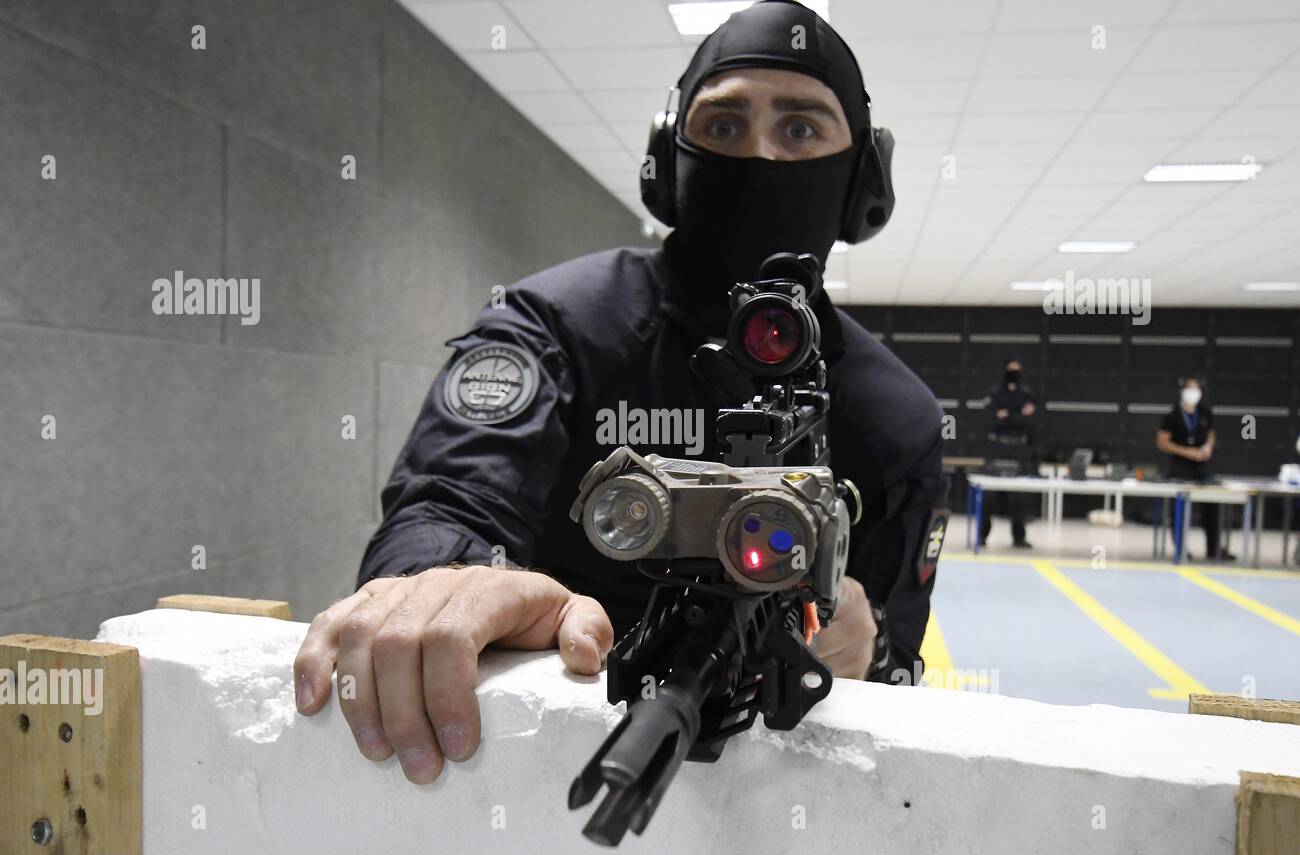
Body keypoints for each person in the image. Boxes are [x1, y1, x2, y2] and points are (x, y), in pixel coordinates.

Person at [293, 0, 947, 786]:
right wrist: (446, 580)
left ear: (859, 181)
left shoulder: (896, 419)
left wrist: (865, 647)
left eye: (801, 128)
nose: (762, 157)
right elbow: (447, 509)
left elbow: (903, 677)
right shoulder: (557, 324)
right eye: (724, 126)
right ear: (669, 160)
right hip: (543, 756)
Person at [1156, 375, 1232, 561]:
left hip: (1201, 466)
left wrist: (1207, 448)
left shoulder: (1205, 414)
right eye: (1190, 389)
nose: (1194, 393)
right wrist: (1187, 452)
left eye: (1197, 389)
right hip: (1180, 467)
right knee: (1179, 509)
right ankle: (1181, 549)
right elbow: (1163, 442)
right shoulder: (1172, 416)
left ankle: (1213, 549)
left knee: (1212, 505)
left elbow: (1211, 436)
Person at [979, 358, 1036, 549]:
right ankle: (982, 536)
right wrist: (1017, 415)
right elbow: (990, 421)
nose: (1014, 373)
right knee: (989, 494)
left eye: (1017, 370)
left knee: (1019, 495)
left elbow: (1029, 422)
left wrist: (1007, 416)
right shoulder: (995, 393)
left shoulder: (1027, 394)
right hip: (998, 448)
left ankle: (1018, 536)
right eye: (1011, 369)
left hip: (1019, 448)